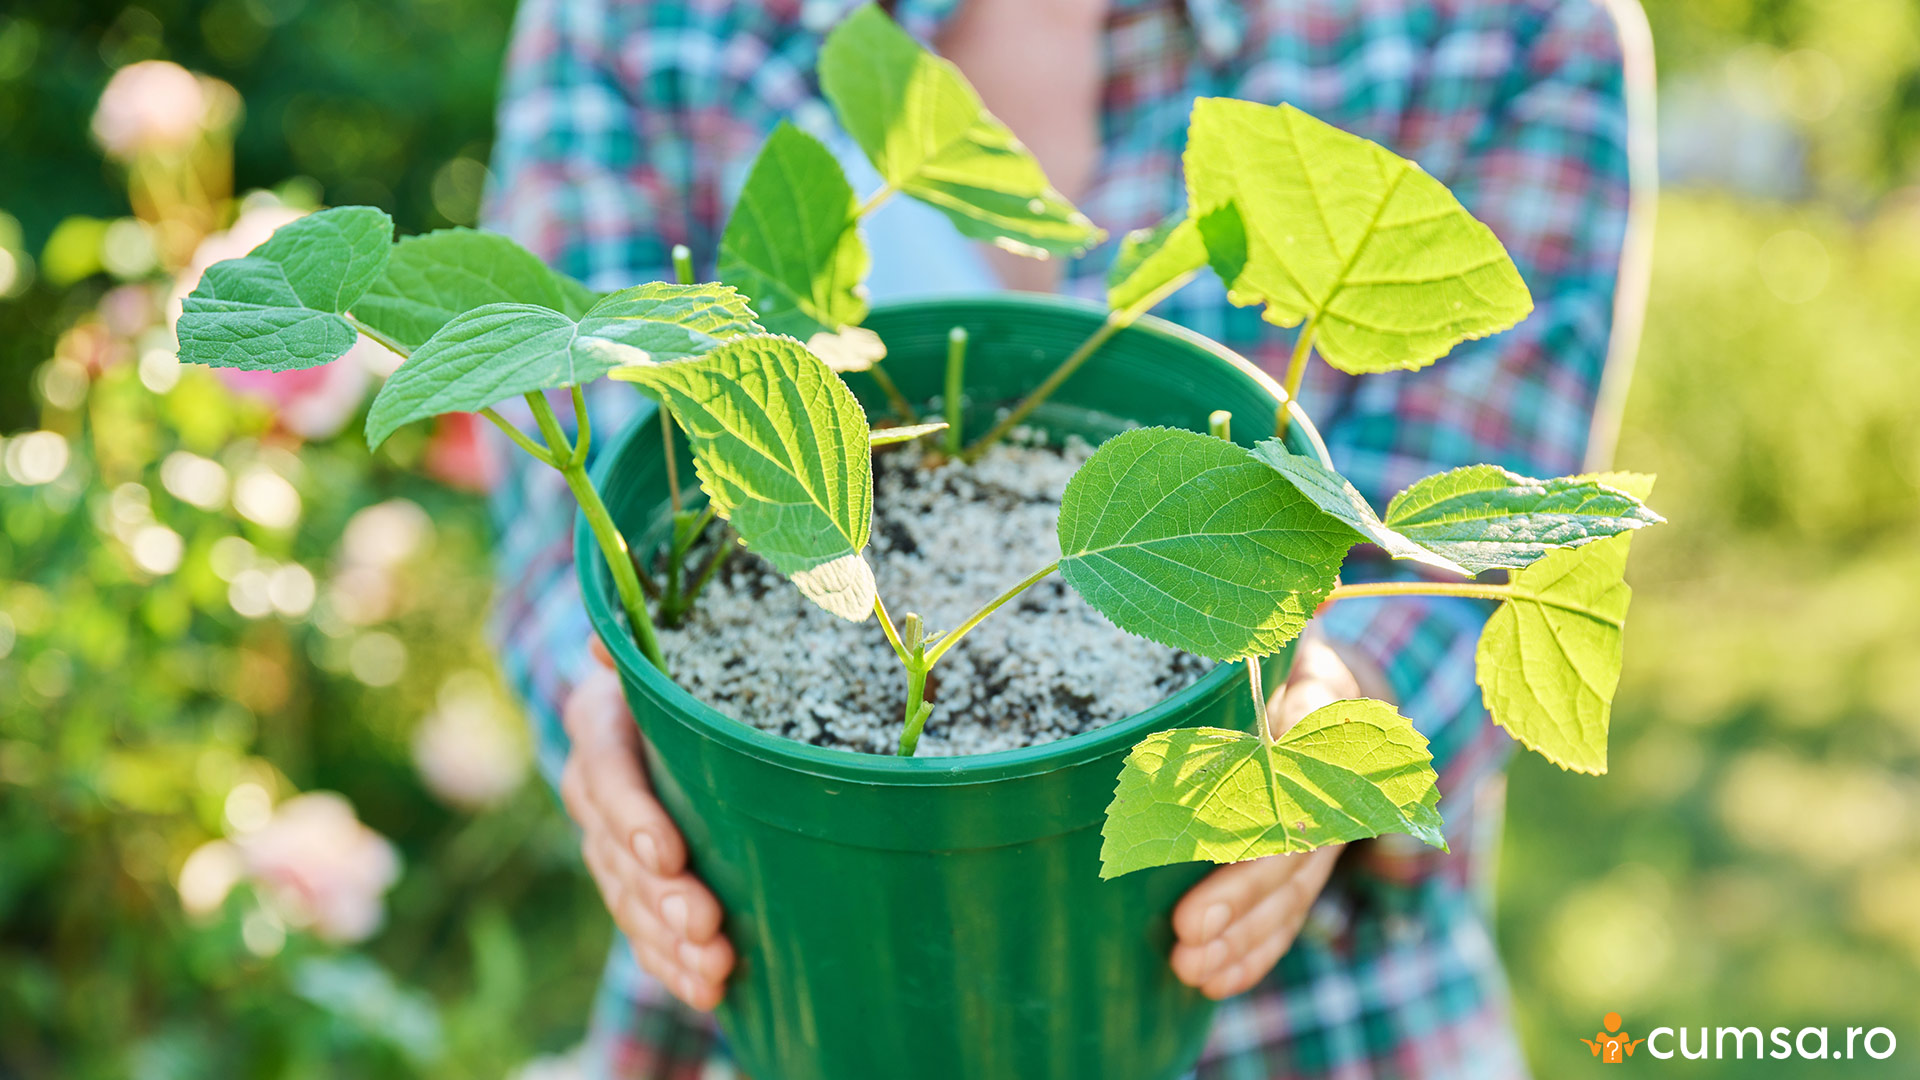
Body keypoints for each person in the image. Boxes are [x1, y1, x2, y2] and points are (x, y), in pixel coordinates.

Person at [482, 0, 1638, 1075]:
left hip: (1319, 1009)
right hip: (764, 975)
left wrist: (1334, 706)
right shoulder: (640, 15)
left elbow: (1465, 540)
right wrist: (612, 716)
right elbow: (589, 462)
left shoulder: (1502, 23)